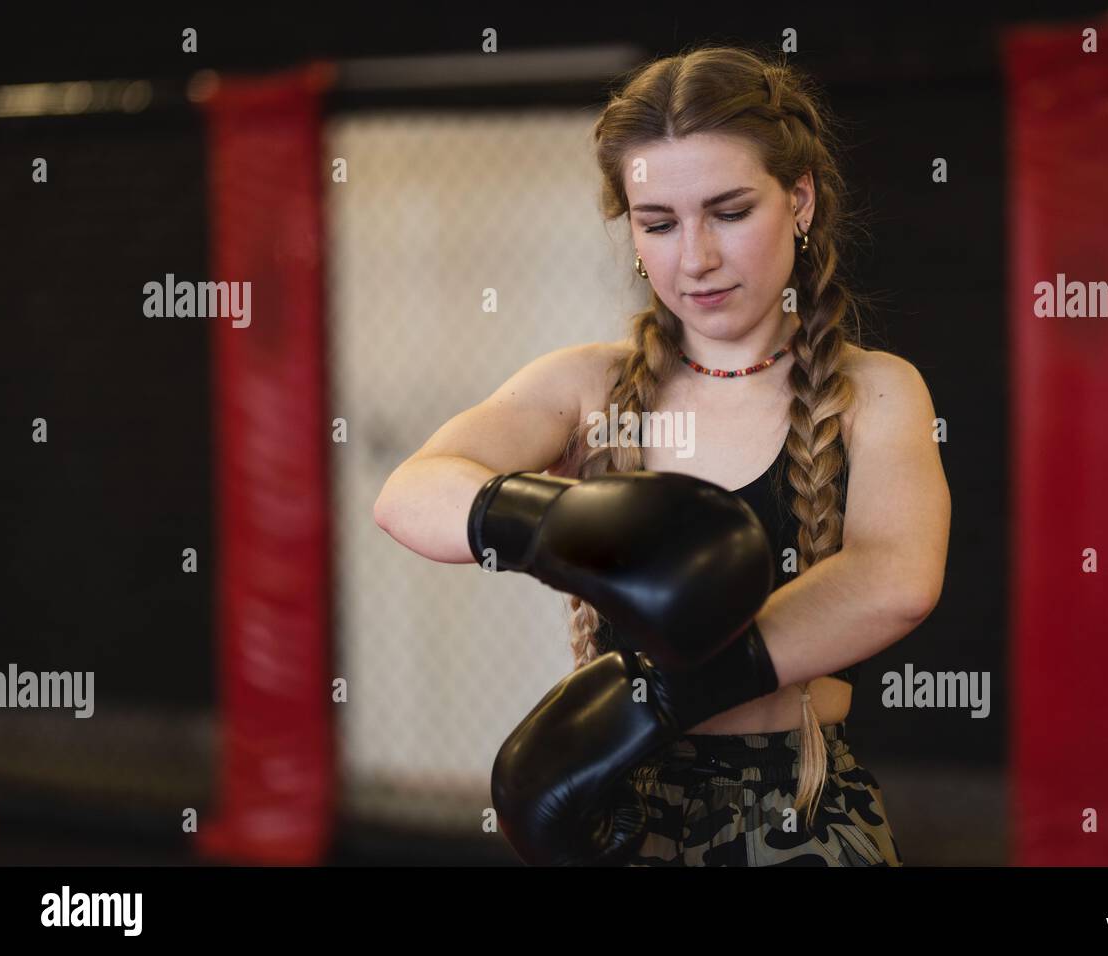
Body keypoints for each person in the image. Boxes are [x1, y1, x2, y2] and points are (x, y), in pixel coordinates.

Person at [374, 43, 951, 866]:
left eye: (730, 210)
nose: (697, 258)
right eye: (659, 223)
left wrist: (656, 695)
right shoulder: (587, 387)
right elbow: (408, 492)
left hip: (792, 798)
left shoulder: (875, 391)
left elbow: (894, 583)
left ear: (800, 199)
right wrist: (554, 520)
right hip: (622, 797)